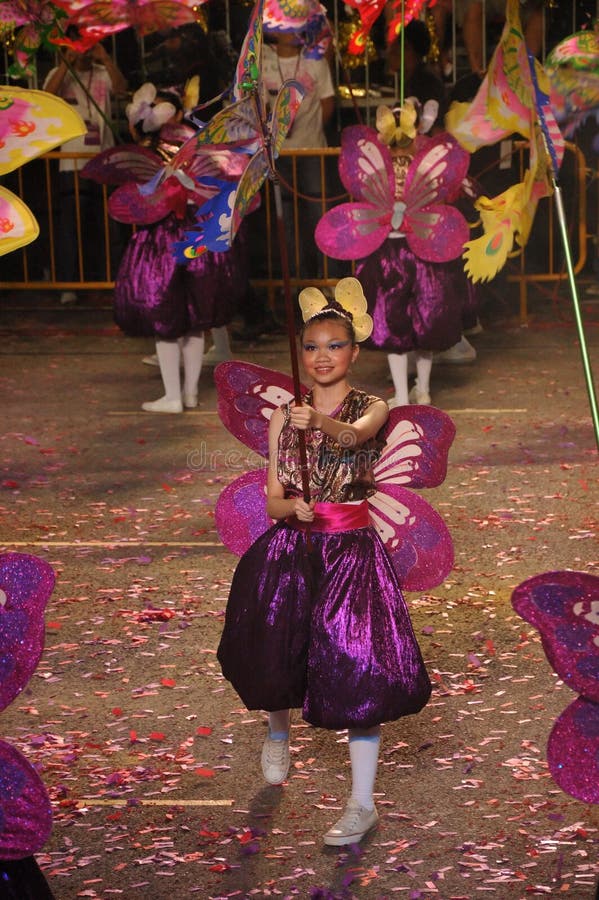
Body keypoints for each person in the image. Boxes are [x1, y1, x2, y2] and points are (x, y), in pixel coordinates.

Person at [217, 284, 432, 845]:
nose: (322, 356)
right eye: (311, 346)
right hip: (293, 548)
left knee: (357, 668)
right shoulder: (281, 417)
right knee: (278, 653)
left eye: (335, 345)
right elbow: (271, 499)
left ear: (353, 351)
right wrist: (293, 505)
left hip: (351, 552)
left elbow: (356, 436)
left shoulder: (371, 407)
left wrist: (321, 425)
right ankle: (278, 731)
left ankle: (362, 804)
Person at [110, 84, 247, 412]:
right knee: (194, 317)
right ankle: (189, 393)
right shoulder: (195, 145)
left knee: (168, 319)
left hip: (162, 242)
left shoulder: (150, 153)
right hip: (197, 237)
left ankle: (174, 395)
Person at [43, 41, 127, 304]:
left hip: (103, 158)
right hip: (71, 161)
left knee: (110, 222)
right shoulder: (61, 73)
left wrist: (106, 58)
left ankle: (116, 279)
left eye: (88, 44)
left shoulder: (102, 72)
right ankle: (69, 283)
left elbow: (122, 89)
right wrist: (64, 63)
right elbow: (47, 96)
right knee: (71, 223)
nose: (84, 50)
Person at [261, 1, 335, 279]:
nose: (294, 29)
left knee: (319, 213)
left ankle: (328, 277)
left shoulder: (314, 59)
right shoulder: (264, 61)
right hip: (279, 154)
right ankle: (294, 281)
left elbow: (328, 103)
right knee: (286, 222)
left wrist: (310, 130)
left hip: (312, 150)